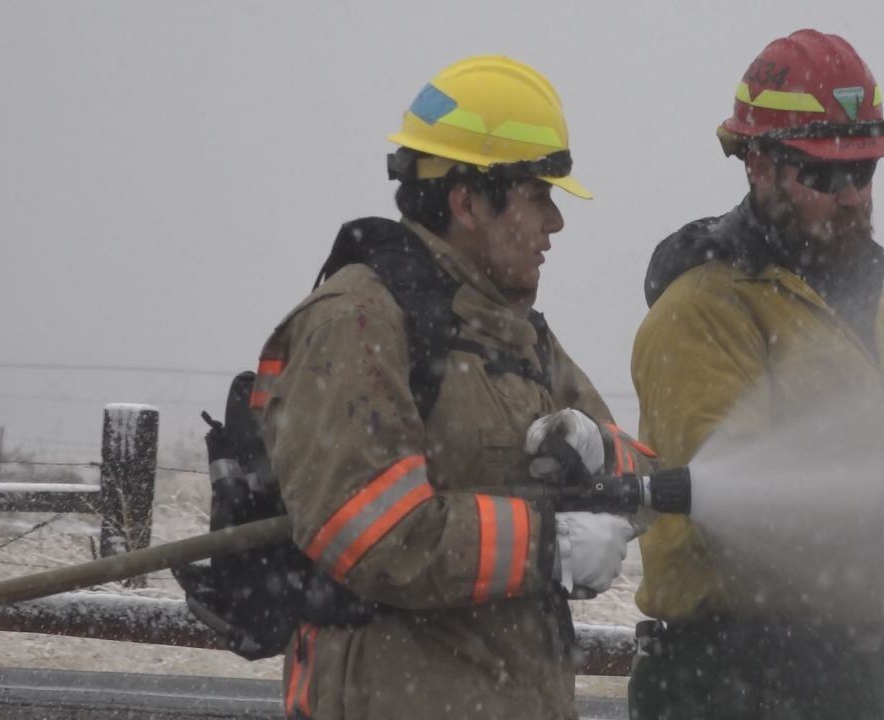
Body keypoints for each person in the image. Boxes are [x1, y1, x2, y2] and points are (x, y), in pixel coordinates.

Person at [628, 30, 884, 720]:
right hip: (736, 681)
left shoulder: (883, 318)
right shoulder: (704, 313)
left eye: (864, 171)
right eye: (824, 175)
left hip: (875, 677)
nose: (851, 196)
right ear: (759, 166)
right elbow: (736, 509)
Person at [250, 55, 647, 720]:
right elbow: (376, 534)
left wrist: (604, 456)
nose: (556, 224)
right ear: (466, 201)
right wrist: (549, 543)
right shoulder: (358, 321)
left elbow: (644, 480)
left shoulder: (515, 337)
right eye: (538, 197)